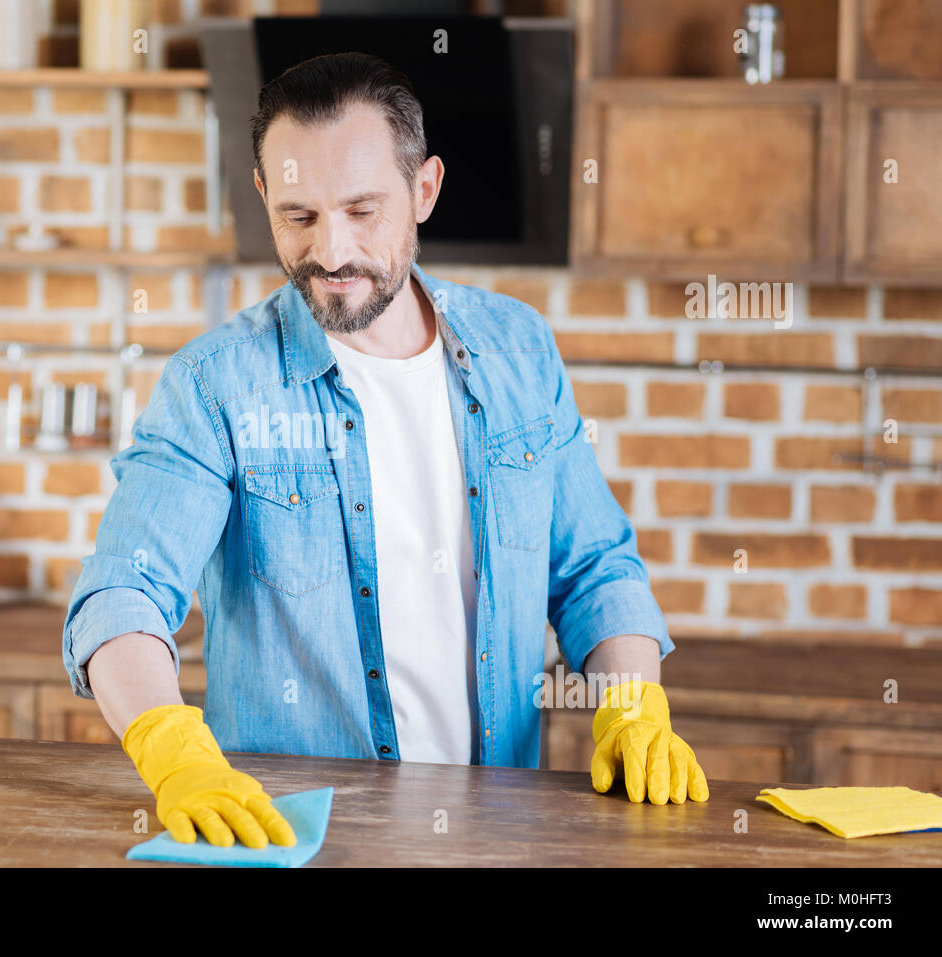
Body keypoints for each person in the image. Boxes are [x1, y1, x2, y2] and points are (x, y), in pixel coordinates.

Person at [62, 51, 708, 850]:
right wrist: (173, 752)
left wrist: (630, 702)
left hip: (494, 837)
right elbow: (122, 595)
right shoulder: (216, 386)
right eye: (298, 216)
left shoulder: (519, 352)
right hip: (293, 840)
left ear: (424, 191)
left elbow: (594, 570)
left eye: (363, 211)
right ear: (262, 195)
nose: (331, 253)